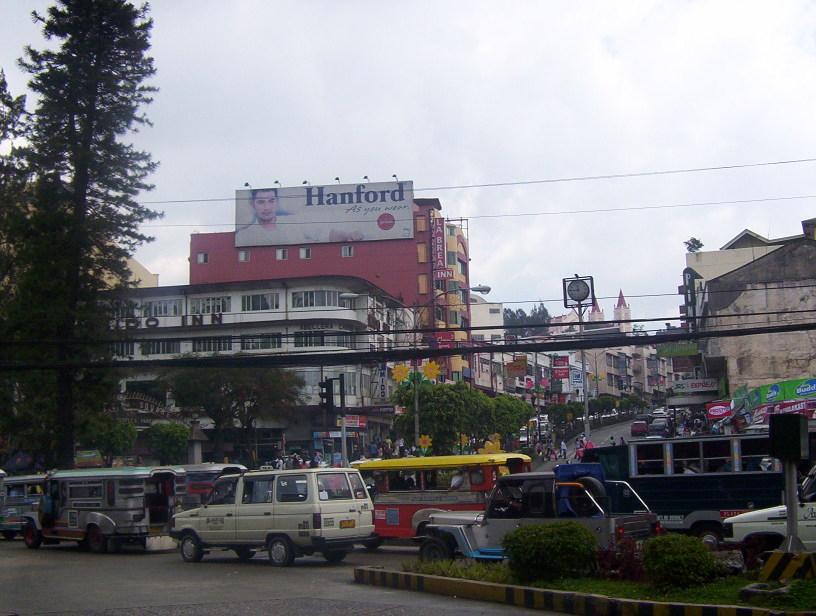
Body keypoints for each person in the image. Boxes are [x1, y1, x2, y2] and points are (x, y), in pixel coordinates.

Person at [236, 188, 312, 245]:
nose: (267, 207)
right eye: (261, 202)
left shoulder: (295, 223)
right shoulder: (244, 236)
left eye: (271, 201)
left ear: (277, 201)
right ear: (253, 204)